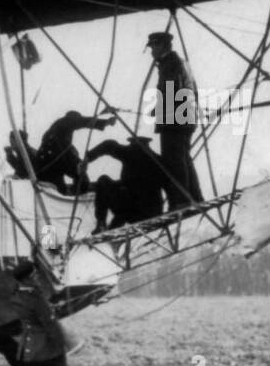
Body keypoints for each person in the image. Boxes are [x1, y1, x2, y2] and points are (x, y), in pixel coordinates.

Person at [11, 259, 72, 366]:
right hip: (48, 349)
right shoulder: (36, 298)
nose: (38, 278)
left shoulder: (17, 296)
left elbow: (34, 316)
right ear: (28, 278)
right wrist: (65, 344)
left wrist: (49, 308)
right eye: (35, 275)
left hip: (29, 350)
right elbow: (49, 323)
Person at [147, 31, 203, 209]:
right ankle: (195, 197)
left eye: (153, 46)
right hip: (186, 116)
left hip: (174, 118)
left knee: (174, 160)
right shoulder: (180, 62)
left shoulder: (169, 63)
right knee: (183, 158)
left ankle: (181, 201)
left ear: (161, 46)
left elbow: (170, 88)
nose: (151, 51)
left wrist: (157, 109)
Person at [85, 135, 169, 233]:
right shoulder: (157, 160)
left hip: (132, 210)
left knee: (103, 180)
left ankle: (101, 224)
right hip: (152, 212)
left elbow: (108, 145)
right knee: (127, 195)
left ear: (133, 144)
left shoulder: (131, 152)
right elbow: (139, 183)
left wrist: (88, 158)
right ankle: (114, 226)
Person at [35, 109, 115, 195]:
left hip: (44, 166)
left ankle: (65, 192)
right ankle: (80, 193)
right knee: (81, 173)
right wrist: (106, 122)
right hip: (56, 161)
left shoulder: (54, 132)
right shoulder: (66, 121)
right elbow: (81, 121)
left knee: (59, 187)